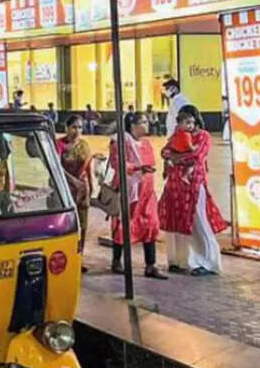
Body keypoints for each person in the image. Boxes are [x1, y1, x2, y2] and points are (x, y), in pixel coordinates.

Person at [158, 105, 227, 276]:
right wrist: (172, 157)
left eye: (190, 121)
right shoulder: (177, 135)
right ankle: (178, 261)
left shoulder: (203, 136)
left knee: (199, 222)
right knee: (174, 222)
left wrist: (175, 157)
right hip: (174, 184)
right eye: (184, 121)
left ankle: (207, 262)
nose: (188, 125)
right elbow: (164, 151)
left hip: (194, 184)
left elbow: (197, 156)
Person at [106, 111, 167, 279]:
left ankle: (150, 265)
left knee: (151, 224)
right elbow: (116, 162)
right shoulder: (119, 141)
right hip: (129, 191)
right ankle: (117, 261)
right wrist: (138, 169)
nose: (147, 125)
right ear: (133, 125)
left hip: (147, 191)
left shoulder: (146, 143)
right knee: (123, 225)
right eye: (144, 122)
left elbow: (152, 162)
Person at [56, 115, 93, 272]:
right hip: (66, 191)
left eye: (80, 127)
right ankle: (65, 259)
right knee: (66, 226)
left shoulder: (84, 145)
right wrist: (74, 182)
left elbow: (88, 167)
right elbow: (57, 168)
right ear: (67, 127)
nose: (77, 131)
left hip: (82, 190)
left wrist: (90, 185)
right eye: (74, 127)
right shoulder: (59, 145)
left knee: (82, 226)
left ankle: (79, 258)